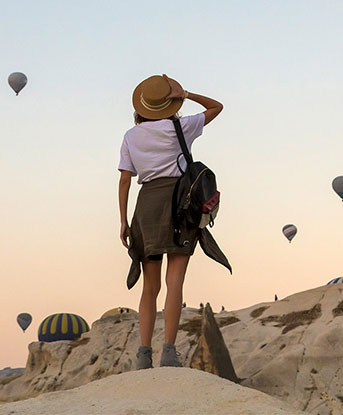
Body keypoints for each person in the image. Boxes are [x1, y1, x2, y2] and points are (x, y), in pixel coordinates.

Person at [118, 74, 224, 370]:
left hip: (147, 206)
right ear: (170, 103)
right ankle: (168, 352)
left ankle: (143, 355)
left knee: (149, 287)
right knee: (174, 281)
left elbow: (125, 180)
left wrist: (124, 220)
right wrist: (186, 93)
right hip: (180, 205)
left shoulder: (130, 136)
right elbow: (217, 107)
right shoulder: (182, 126)